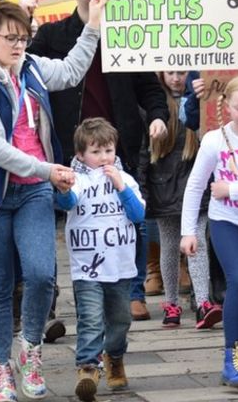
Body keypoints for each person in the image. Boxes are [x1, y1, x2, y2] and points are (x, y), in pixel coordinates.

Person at [0, 0, 104, 401]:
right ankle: (1, 371)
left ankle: (30, 352)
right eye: (10, 39)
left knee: (41, 274)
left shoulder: (30, 67)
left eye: (24, 38)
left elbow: (69, 71)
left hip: (33, 192)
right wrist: (48, 169)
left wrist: (94, 26)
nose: (19, 46)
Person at [28, 0, 169, 325]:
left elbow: (149, 86)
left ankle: (132, 292)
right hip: (66, 148)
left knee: (131, 218)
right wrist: (25, 18)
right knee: (65, 223)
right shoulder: (52, 35)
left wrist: (157, 115)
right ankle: (63, 295)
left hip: (116, 147)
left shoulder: (126, 32)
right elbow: (21, 70)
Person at [182, 75, 238, 390]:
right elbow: (195, 186)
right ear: (228, 107)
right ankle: (232, 360)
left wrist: (230, 187)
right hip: (226, 223)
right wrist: (188, 231)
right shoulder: (214, 139)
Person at [53, 118, 145, 401]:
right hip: (87, 267)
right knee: (91, 319)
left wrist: (121, 186)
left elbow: (138, 215)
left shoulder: (125, 178)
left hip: (120, 266)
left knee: (120, 319)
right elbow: (67, 203)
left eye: (108, 150)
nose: (104, 157)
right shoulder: (77, 178)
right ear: (81, 155)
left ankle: (114, 357)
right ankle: (87, 368)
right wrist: (65, 189)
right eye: (96, 152)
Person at [142, 71, 219, 329]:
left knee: (197, 241)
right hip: (164, 188)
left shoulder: (199, 99)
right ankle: (172, 303)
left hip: (194, 187)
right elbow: (145, 152)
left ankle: (203, 302)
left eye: (181, 72)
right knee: (169, 246)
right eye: (171, 72)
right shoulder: (154, 105)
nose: (176, 78)